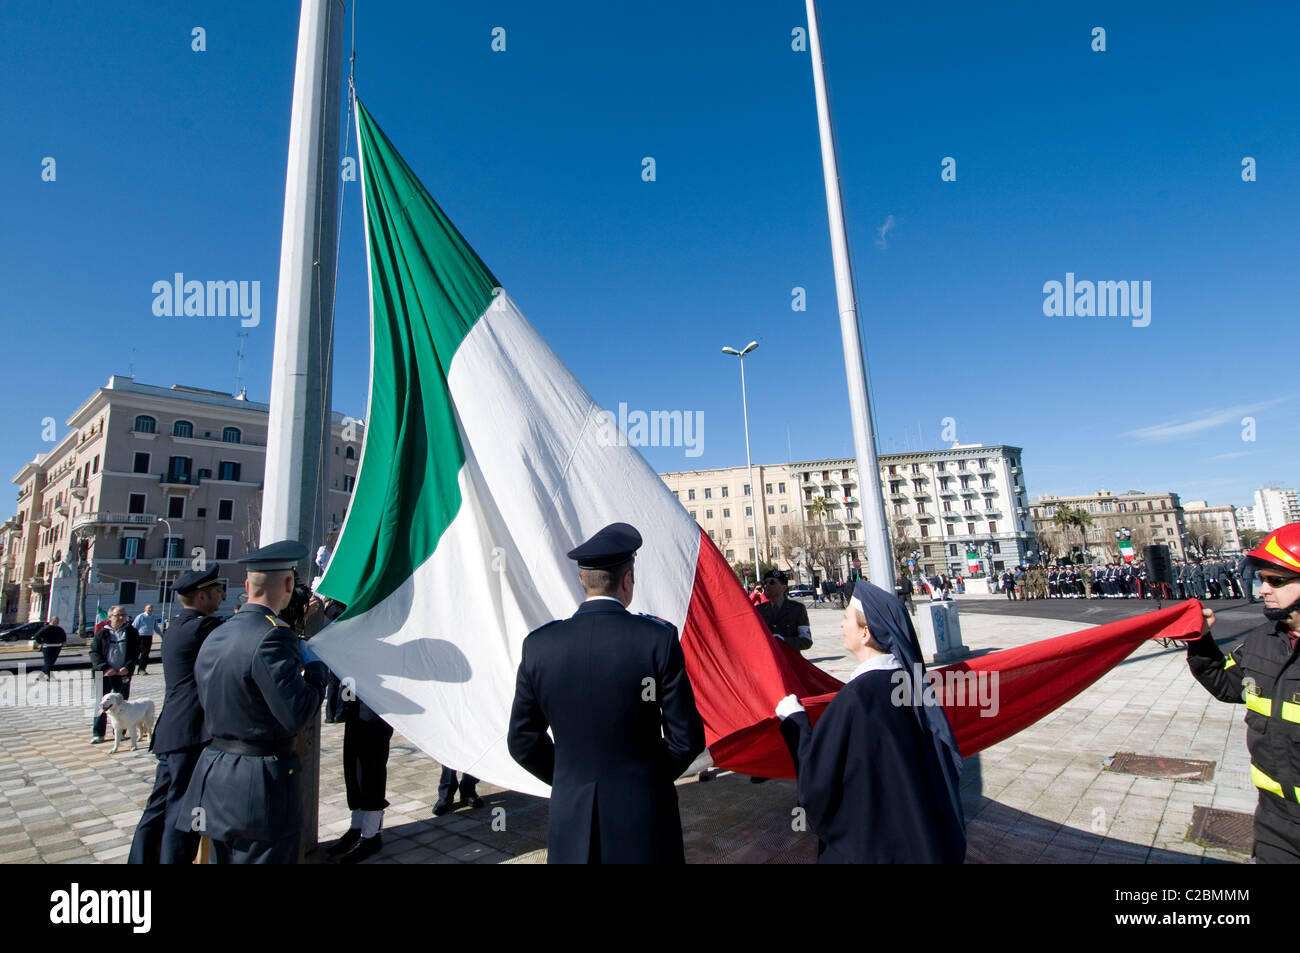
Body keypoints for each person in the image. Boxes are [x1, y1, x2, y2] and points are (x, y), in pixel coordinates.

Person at [508, 522, 705, 863]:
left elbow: (522, 741)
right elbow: (686, 739)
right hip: (645, 817)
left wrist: (570, 777)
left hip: (572, 815)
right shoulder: (656, 640)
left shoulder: (539, 646)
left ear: (581, 580)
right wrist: (646, 779)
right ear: (627, 578)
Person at [774, 580, 966, 863]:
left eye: (846, 617)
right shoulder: (909, 688)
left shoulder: (855, 699)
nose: (841, 624)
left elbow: (816, 785)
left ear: (865, 633)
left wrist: (795, 722)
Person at [176, 540, 330, 864]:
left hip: (215, 776)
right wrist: (317, 670)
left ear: (247, 585)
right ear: (289, 585)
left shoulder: (217, 633)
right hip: (259, 786)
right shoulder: (273, 636)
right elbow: (297, 713)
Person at [1185, 523, 1300, 862]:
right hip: (1275, 823)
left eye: (1277, 581)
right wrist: (1200, 640)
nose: (1263, 589)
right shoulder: (1265, 639)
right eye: (1262, 578)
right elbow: (1228, 685)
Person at [128, 564, 226, 864]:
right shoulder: (201, 628)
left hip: (172, 729)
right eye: (216, 592)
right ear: (201, 598)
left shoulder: (176, 627)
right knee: (185, 810)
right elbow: (243, 628)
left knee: (158, 806)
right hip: (191, 732)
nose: (221, 595)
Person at [89, 606, 140, 744]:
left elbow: (135, 652)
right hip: (103, 674)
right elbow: (94, 653)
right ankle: (98, 734)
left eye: (123, 614)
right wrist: (105, 668)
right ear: (110, 617)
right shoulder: (101, 633)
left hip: (122, 673)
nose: (121, 617)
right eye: (118, 615)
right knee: (100, 703)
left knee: (121, 703)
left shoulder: (131, 632)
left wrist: (128, 667)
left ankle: (120, 732)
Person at [756, 569, 812, 651]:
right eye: (765, 583)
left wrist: (784, 641)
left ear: (784, 587)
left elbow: (806, 641)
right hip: (768, 661)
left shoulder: (797, 609)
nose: (767, 585)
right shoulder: (759, 610)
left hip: (790, 660)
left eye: (772, 582)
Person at [35, 616, 66, 680]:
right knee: (48, 662)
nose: (57, 622)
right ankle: (49, 676)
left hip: (57, 647)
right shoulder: (46, 628)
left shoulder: (60, 629)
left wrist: (63, 642)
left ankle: (40, 676)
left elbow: (63, 636)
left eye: (57, 621)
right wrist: (40, 643)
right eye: (55, 621)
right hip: (47, 647)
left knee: (51, 662)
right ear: (51, 621)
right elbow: (37, 635)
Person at [133, 604, 161, 675]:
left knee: (145, 654)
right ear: (145, 609)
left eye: (151, 608)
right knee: (135, 654)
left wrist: (162, 635)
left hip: (148, 637)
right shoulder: (141, 616)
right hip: (140, 637)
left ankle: (142, 669)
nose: (150, 609)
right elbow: (134, 626)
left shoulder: (153, 617)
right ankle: (130, 669)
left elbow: (156, 628)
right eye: (148, 608)